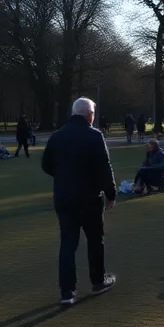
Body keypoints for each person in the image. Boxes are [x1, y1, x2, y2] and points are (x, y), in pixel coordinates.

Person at [41, 97, 118, 304]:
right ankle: (98, 280)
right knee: (95, 240)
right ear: (89, 115)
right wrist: (111, 194)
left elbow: (46, 164)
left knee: (67, 243)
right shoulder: (94, 136)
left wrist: (63, 178)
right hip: (90, 197)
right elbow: (104, 167)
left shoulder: (57, 136)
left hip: (64, 196)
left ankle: (67, 292)